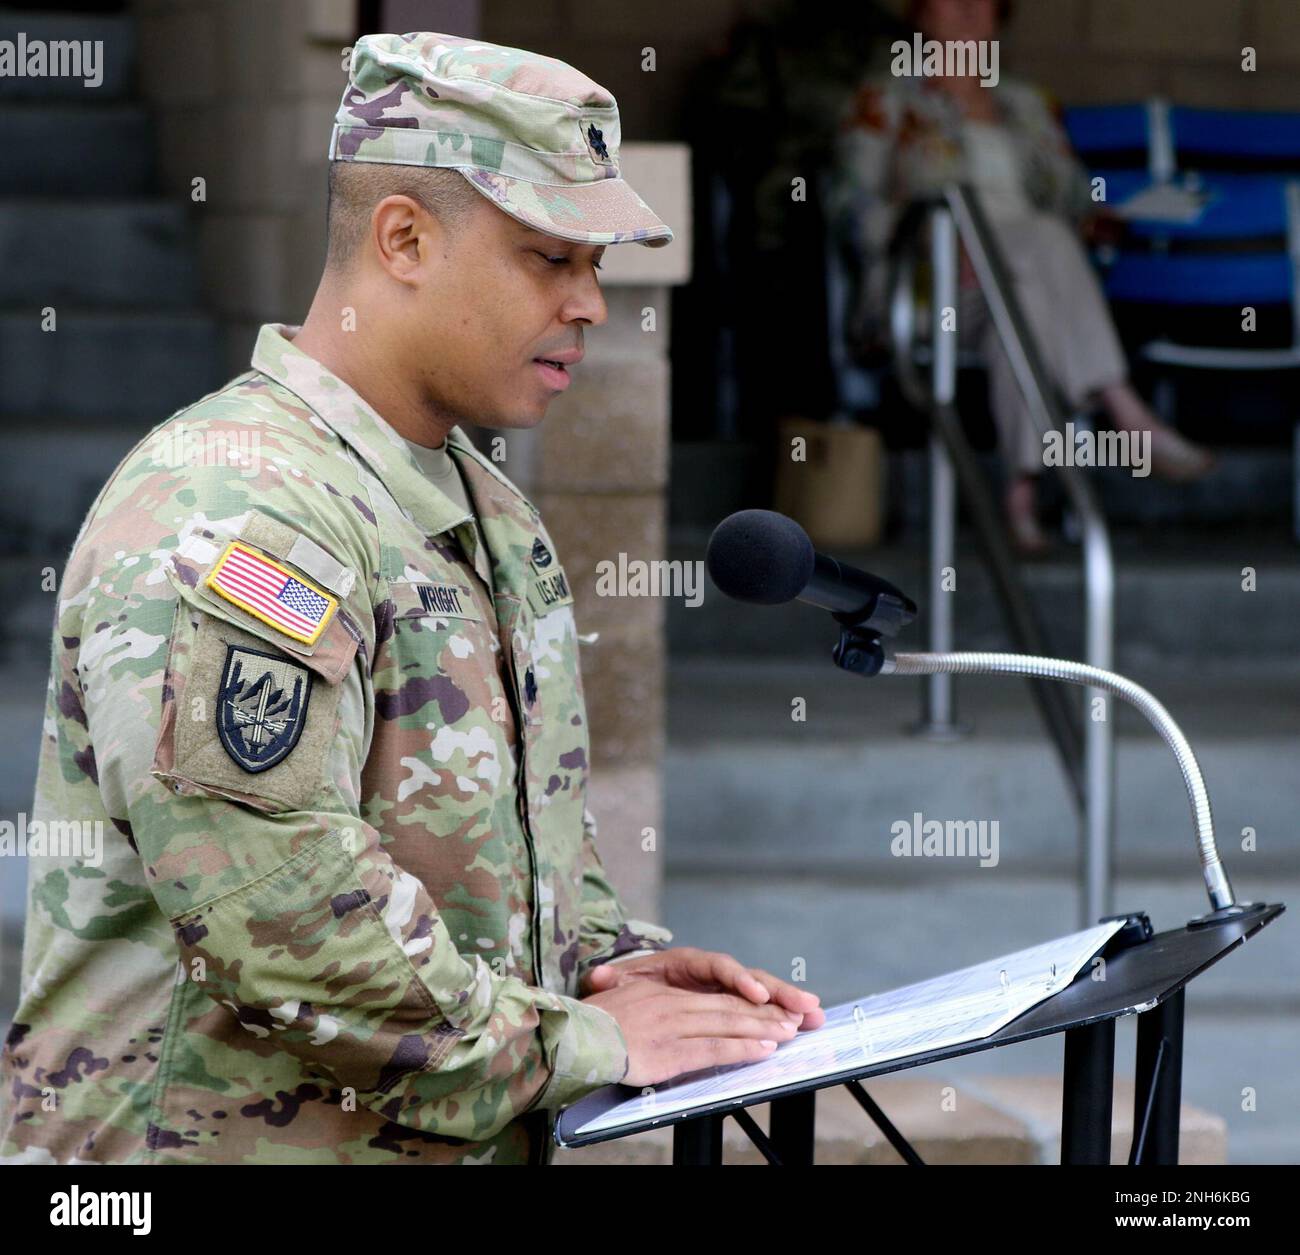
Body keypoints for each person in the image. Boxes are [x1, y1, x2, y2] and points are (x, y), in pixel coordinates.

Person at [0, 31, 824, 1166]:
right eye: (551, 258)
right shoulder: (246, 505)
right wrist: (585, 1042)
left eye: (596, 264)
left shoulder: (481, 506)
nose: (591, 302)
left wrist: (599, 963)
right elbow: (284, 919)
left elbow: (508, 836)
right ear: (404, 238)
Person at [832, 0, 1215, 553]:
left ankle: (1019, 495)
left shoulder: (1026, 104)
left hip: (1022, 276)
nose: (968, 10)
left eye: (982, 1)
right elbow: (849, 207)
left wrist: (1098, 216)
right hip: (929, 285)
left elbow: (1071, 194)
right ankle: (1122, 405)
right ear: (920, 13)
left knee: (1027, 295)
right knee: (1041, 241)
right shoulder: (885, 99)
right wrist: (926, 235)